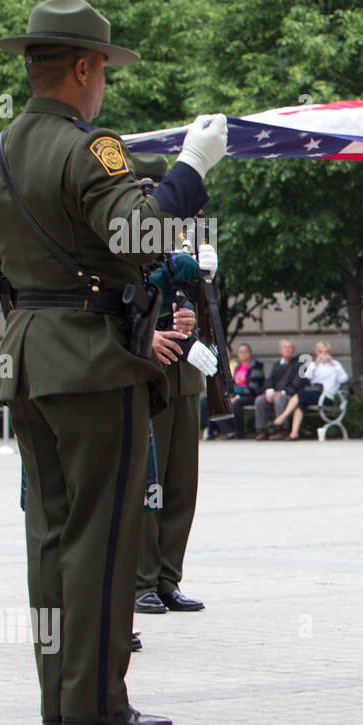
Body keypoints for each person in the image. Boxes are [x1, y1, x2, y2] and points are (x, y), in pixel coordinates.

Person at [0, 0, 228, 725]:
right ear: (82, 68)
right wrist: (191, 169)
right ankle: (96, 703)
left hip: (26, 355)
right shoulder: (91, 150)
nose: (104, 82)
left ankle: (59, 699)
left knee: (49, 536)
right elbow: (144, 237)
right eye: (103, 69)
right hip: (91, 360)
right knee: (103, 535)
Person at [134, 154, 216, 616]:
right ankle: (141, 580)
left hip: (183, 371)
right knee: (149, 484)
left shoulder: (180, 245)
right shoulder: (126, 244)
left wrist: (189, 318)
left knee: (181, 482)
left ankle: (167, 578)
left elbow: (191, 304)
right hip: (147, 371)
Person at [270, 340, 348, 439]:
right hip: (314, 392)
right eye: (321, 352)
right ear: (317, 353)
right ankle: (294, 433)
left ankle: (281, 418)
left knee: (300, 395)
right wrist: (315, 364)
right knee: (300, 404)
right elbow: (307, 377)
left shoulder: (336, 365)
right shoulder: (314, 364)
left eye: (326, 352)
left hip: (326, 395)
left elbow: (344, 379)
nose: (324, 354)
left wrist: (333, 365)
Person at [205, 342, 264, 438]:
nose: (243, 354)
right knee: (222, 400)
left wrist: (238, 396)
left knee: (236, 403)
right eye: (241, 352)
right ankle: (228, 431)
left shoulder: (256, 366)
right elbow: (232, 384)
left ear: (250, 353)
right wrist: (231, 395)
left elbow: (254, 387)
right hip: (238, 394)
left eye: (245, 351)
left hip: (251, 395)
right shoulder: (238, 367)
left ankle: (239, 433)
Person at [253, 339, 304, 439]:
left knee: (279, 399)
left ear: (294, 350)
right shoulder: (277, 364)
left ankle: (282, 429)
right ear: (280, 350)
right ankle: (263, 430)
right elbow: (270, 381)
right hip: (275, 394)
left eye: (290, 347)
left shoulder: (299, 364)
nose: (287, 350)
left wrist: (282, 392)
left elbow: (298, 384)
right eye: (285, 347)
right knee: (260, 400)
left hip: (290, 395)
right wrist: (269, 391)